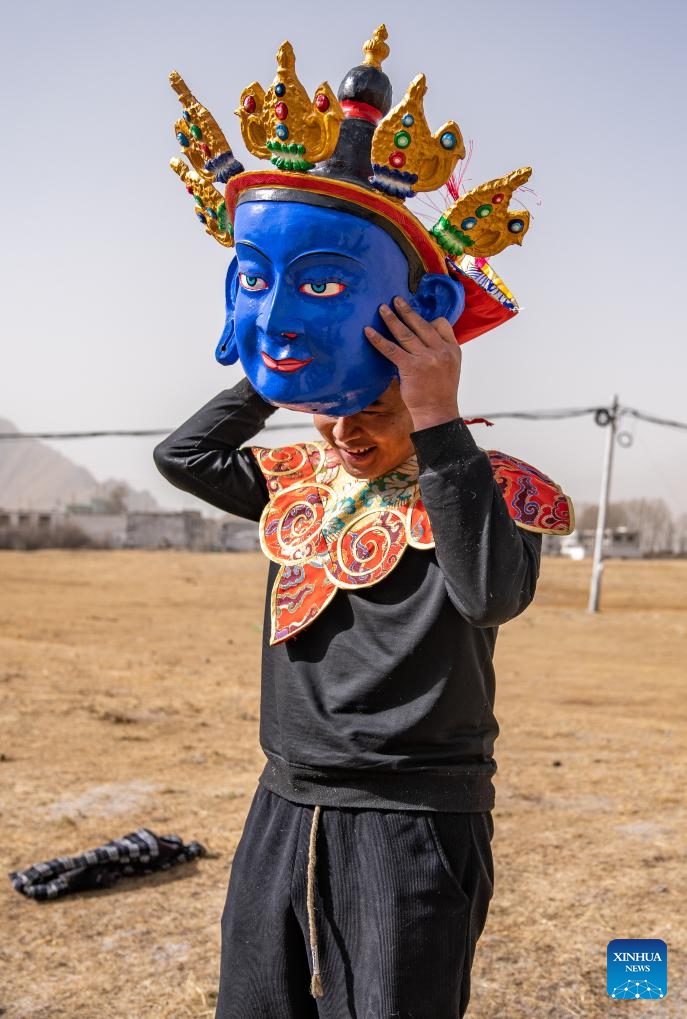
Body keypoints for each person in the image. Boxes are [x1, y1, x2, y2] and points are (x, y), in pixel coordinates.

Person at [157, 25, 573, 1017]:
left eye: (371, 405)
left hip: (413, 822)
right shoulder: (298, 474)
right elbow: (184, 457)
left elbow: (488, 592)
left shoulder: (488, 485)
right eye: (332, 408)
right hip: (283, 804)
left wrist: (432, 412)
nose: (345, 428)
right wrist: (275, 363)